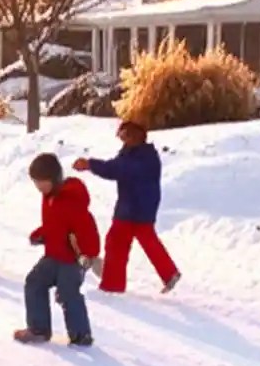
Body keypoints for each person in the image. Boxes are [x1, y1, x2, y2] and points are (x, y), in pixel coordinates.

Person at [74, 120, 181, 295]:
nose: (122, 139)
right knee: (145, 240)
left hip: (134, 208)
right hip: (137, 206)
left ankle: (112, 285)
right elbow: (115, 168)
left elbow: (116, 169)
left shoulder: (143, 158)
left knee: (117, 243)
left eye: (125, 135)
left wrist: (90, 164)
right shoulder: (133, 153)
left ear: (137, 136)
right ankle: (169, 273)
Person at [14, 153, 99, 346]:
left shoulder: (72, 201)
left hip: (72, 261)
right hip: (53, 256)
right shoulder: (49, 197)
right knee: (34, 282)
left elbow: (88, 229)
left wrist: (89, 254)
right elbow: (54, 225)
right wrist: (40, 234)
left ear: (54, 178)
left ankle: (81, 334)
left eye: (42, 182)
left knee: (68, 293)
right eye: (36, 182)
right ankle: (39, 329)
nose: (39, 187)